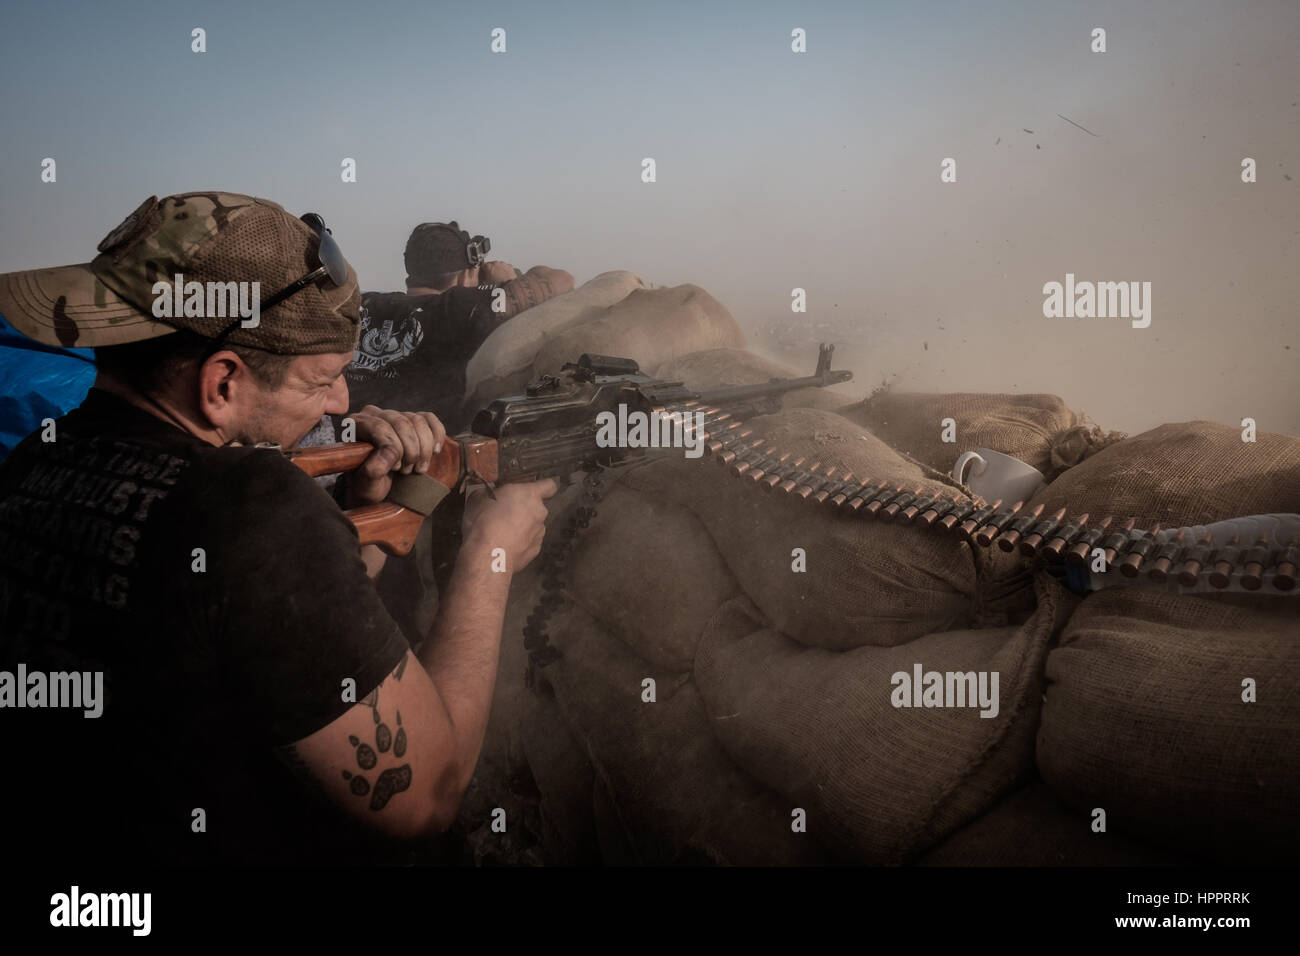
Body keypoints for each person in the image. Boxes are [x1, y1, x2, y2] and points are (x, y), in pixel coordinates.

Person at [0, 191, 556, 865]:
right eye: (319, 383)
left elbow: (273, 630)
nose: (343, 403)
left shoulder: (37, 456)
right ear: (222, 384)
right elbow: (427, 796)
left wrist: (365, 509)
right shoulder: (250, 504)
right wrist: (488, 556)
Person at [345, 221, 574, 433]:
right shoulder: (460, 307)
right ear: (465, 276)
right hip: (423, 450)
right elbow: (563, 280)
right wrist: (508, 279)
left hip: (349, 439)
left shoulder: (365, 303)